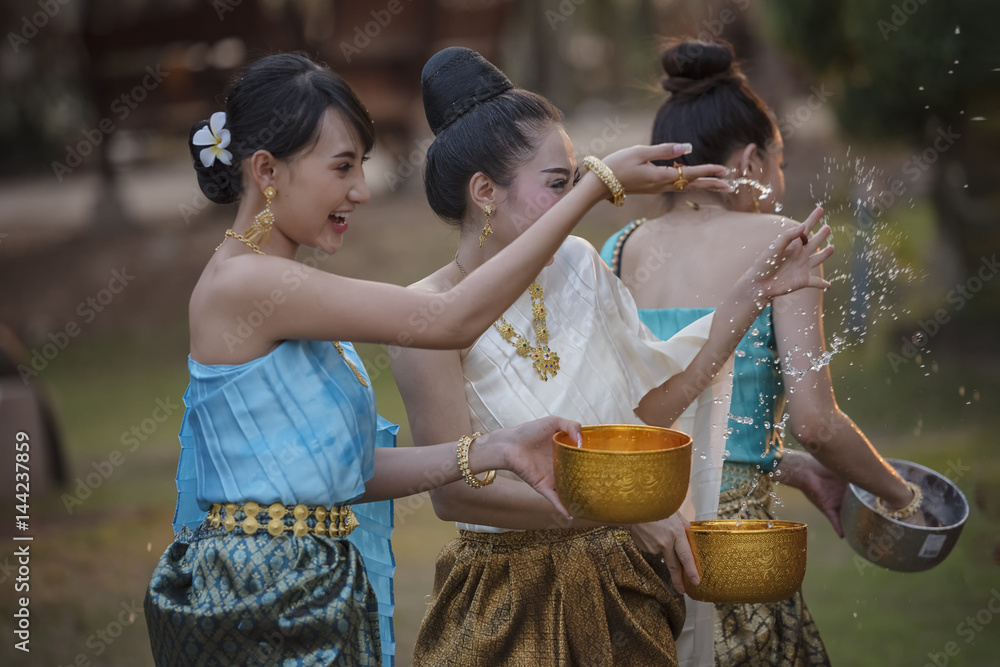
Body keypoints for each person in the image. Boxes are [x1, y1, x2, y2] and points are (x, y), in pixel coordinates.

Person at [142, 52, 709, 667]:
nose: (359, 190)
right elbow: (448, 319)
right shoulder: (246, 286)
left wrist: (489, 450)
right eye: (342, 168)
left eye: (361, 167)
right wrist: (595, 187)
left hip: (316, 584)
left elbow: (351, 473)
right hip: (259, 595)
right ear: (266, 170)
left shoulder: (277, 285)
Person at [391, 46, 833, 666]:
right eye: (559, 184)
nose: (577, 200)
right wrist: (615, 515)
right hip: (506, 603)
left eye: (579, 182)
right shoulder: (422, 312)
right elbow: (456, 495)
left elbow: (651, 410)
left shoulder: (578, 265)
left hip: (626, 589)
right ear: (485, 192)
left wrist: (751, 296)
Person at [601, 39, 928, 666]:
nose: (778, 184)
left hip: (638, 538)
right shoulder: (783, 243)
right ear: (751, 158)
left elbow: (651, 418)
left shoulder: (618, 248)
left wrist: (791, 466)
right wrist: (898, 495)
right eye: (778, 164)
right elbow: (818, 422)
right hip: (732, 548)